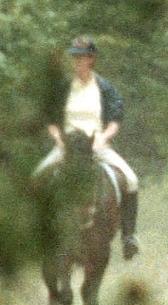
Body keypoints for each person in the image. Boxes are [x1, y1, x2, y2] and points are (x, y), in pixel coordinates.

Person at [33, 36, 140, 259]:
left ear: (92, 59)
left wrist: (103, 137)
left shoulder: (104, 88)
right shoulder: (63, 87)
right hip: (67, 146)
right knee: (36, 178)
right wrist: (59, 139)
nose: (76, 62)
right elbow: (51, 120)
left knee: (131, 180)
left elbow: (114, 120)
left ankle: (129, 237)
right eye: (73, 57)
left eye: (80, 58)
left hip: (97, 145)